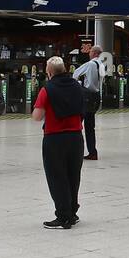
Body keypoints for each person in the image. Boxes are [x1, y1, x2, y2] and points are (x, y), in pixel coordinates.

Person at [32, 56, 86, 229]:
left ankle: (63, 216)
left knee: (57, 177)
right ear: (64, 69)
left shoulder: (47, 89)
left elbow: (37, 116)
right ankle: (72, 212)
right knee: (73, 176)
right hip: (76, 137)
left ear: (49, 72)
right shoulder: (77, 87)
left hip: (54, 138)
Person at [73, 45, 105, 161]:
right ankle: (92, 152)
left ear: (95, 53)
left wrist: (80, 83)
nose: (89, 53)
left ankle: (74, 150)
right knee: (90, 127)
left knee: (76, 125)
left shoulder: (90, 64)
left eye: (91, 51)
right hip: (96, 97)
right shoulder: (101, 65)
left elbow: (75, 74)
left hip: (87, 97)